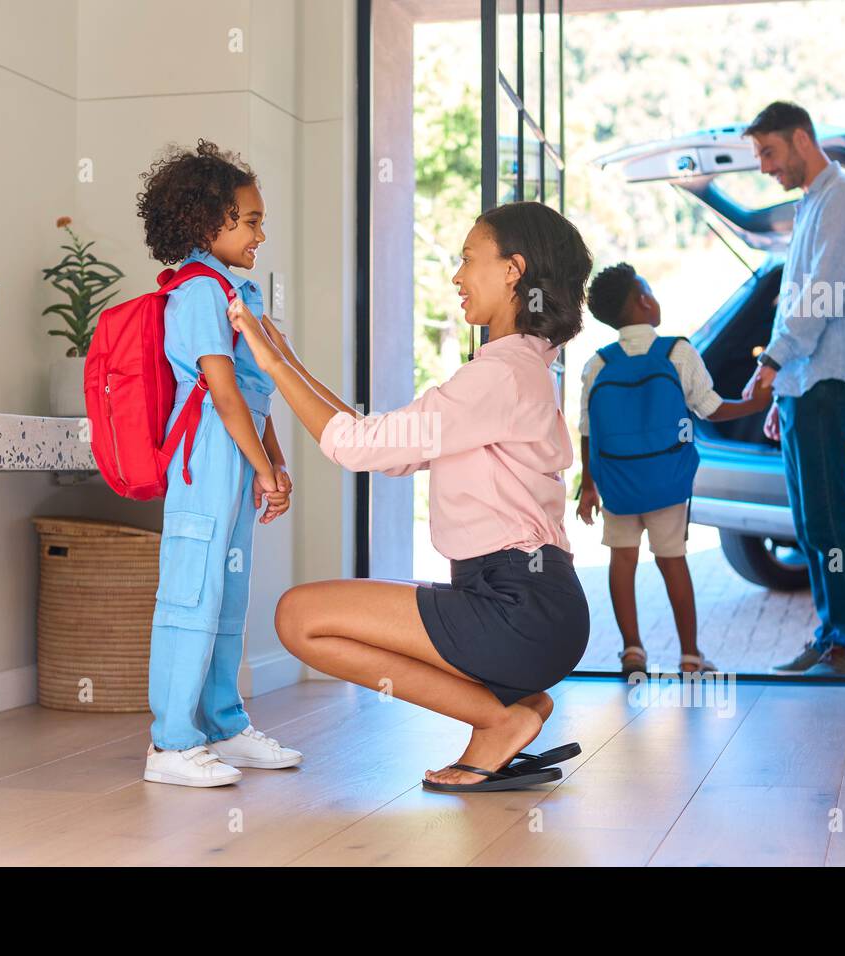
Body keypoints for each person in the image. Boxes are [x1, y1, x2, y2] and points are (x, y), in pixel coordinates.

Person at [225, 201, 593, 793]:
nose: (456, 276)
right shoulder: (516, 369)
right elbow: (382, 445)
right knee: (311, 613)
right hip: (521, 603)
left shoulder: (500, 375)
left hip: (518, 609)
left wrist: (269, 360)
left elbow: (357, 446)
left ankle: (499, 717)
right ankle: (508, 708)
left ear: (512, 271)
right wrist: (284, 361)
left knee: (299, 617)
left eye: (469, 259)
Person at [136, 140, 302, 787]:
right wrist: (262, 468)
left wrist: (275, 464)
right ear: (211, 223)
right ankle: (171, 744)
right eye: (252, 219)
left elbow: (258, 398)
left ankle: (224, 727)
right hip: (205, 463)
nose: (262, 232)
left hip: (238, 459)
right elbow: (224, 394)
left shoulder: (239, 291)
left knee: (228, 598)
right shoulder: (199, 292)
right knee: (190, 598)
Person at [739, 102, 845, 677]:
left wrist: (775, 363)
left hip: (831, 382)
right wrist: (782, 389)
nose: (764, 167)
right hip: (806, 383)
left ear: (802, 139)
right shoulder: (812, 206)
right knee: (810, 523)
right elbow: (793, 298)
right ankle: (832, 636)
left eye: (769, 153)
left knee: (830, 521)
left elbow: (819, 295)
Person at [577, 263, 772, 677]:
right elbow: (711, 408)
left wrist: (588, 487)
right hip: (666, 482)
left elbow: (588, 429)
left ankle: (632, 652)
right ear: (645, 301)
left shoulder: (597, 364)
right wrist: (755, 404)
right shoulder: (676, 352)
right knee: (672, 561)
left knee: (622, 561)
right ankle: (689, 657)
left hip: (618, 485)